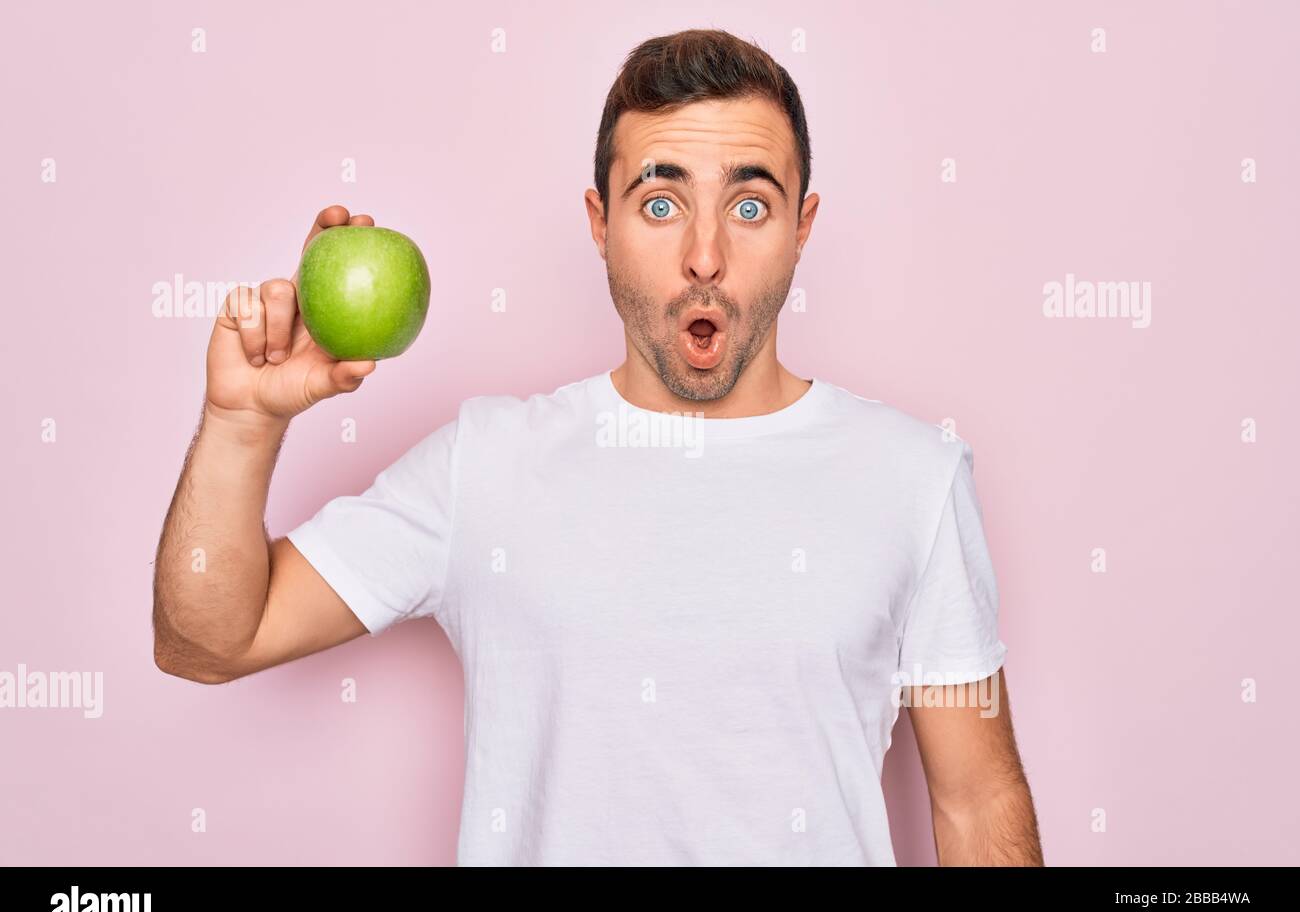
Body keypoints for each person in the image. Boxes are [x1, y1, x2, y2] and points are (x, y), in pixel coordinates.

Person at [153, 28, 1042, 866]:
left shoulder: (915, 480)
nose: (705, 254)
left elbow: (976, 801)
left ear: (803, 225)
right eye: (660, 203)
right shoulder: (484, 465)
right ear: (599, 223)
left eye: (749, 204)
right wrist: (242, 422)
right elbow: (208, 641)